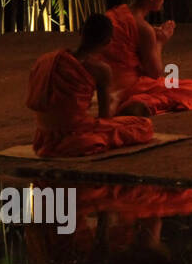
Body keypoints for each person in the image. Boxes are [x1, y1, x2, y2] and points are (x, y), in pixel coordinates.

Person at [25, 14, 154, 159]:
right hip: (76, 134)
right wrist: (116, 100)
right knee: (143, 125)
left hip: (44, 136)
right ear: (108, 41)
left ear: (80, 32)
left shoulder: (46, 61)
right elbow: (105, 117)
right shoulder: (100, 69)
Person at [101, 0, 192, 113]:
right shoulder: (144, 28)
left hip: (107, 86)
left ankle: (131, 101)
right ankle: (139, 102)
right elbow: (154, 74)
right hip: (129, 87)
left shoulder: (115, 14)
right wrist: (160, 42)